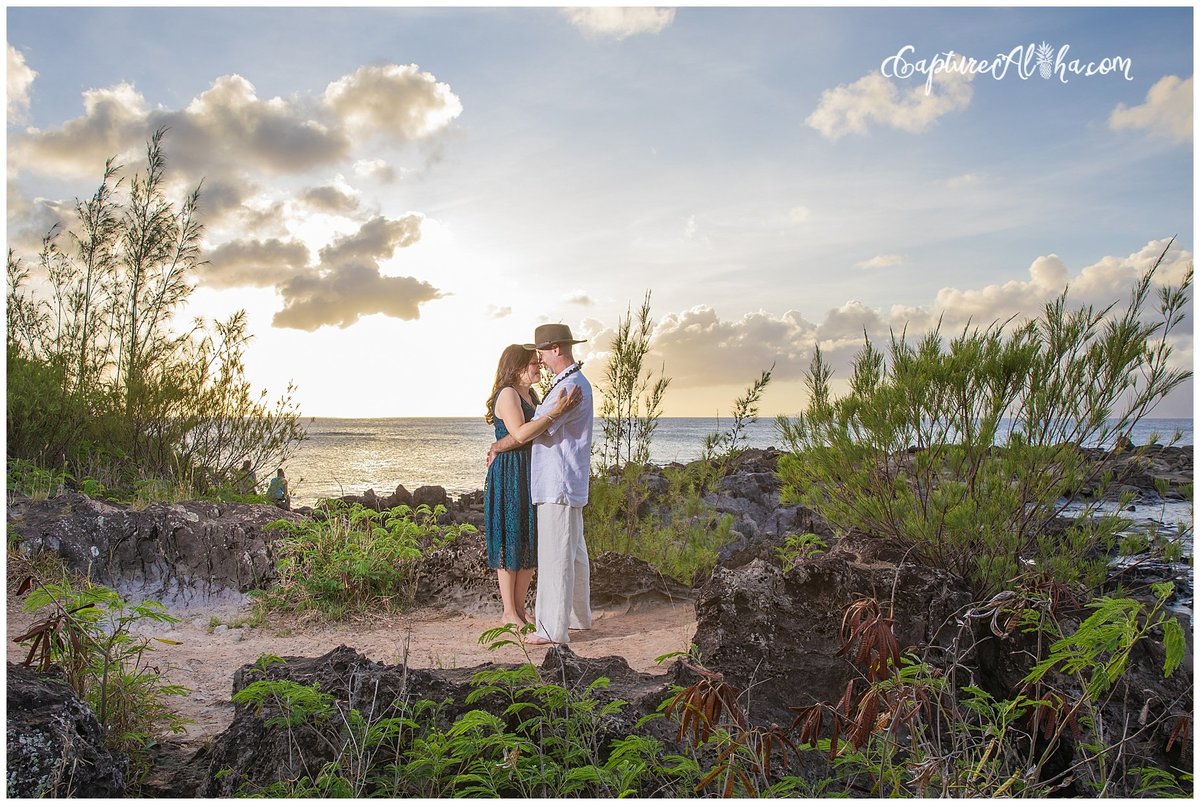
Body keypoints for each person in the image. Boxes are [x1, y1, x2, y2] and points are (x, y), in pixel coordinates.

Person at [488, 323, 593, 646]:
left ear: (556, 349)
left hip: (555, 480)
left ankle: (551, 628)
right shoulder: (569, 383)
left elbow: (530, 431)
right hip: (552, 478)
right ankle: (574, 618)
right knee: (570, 551)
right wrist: (501, 446)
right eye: (535, 358)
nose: (540, 360)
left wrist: (497, 446)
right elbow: (524, 430)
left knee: (557, 554)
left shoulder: (567, 387)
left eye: (542, 353)